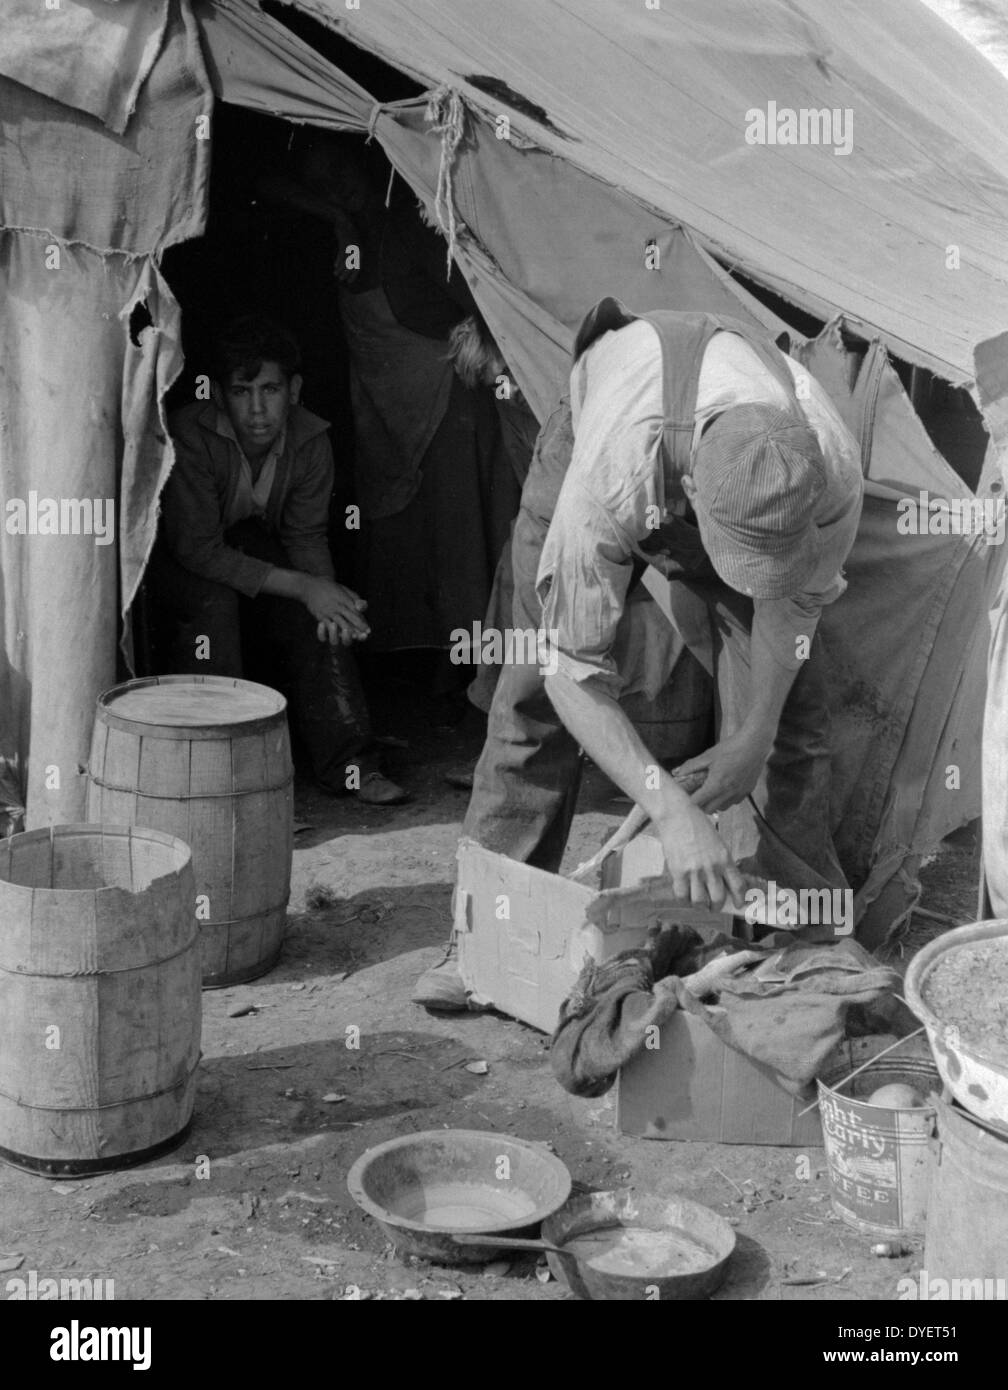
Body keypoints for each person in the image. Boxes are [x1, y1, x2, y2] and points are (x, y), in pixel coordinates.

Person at [414, 297, 864, 1010]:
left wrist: (755, 736)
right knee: (530, 691)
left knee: (795, 716)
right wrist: (672, 812)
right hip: (609, 432)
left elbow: (794, 610)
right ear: (690, 493)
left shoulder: (830, 467)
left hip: (712, 463)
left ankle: (794, 939)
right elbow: (572, 668)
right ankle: (486, 939)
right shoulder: (610, 471)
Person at [149, 315, 408, 805]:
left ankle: (351, 765)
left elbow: (306, 536)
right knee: (215, 608)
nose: (258, 408)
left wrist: (326, 598)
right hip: (180, 559)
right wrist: (306, 587)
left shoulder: (310, 440)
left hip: (246, 546)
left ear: (293, 390)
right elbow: (196, 548)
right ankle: (228, 782)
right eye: (242, 391)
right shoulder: (191, 433)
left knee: (320, 610)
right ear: (221, 394)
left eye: (269, 389)